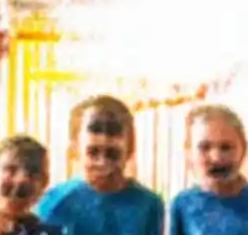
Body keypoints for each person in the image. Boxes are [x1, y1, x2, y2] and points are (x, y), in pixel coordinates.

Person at [36, 95, 165, 234]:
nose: (102, 163)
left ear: (130, 150)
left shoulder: (149, 206)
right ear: (75, 149)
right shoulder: (55, 203)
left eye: (112, 154)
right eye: (93, 152)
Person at [168, 104, 248, 235]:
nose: (216, 158)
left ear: (243, 149)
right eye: (204, 147)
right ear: (189, 152)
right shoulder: (182, 205)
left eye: (226, 147)